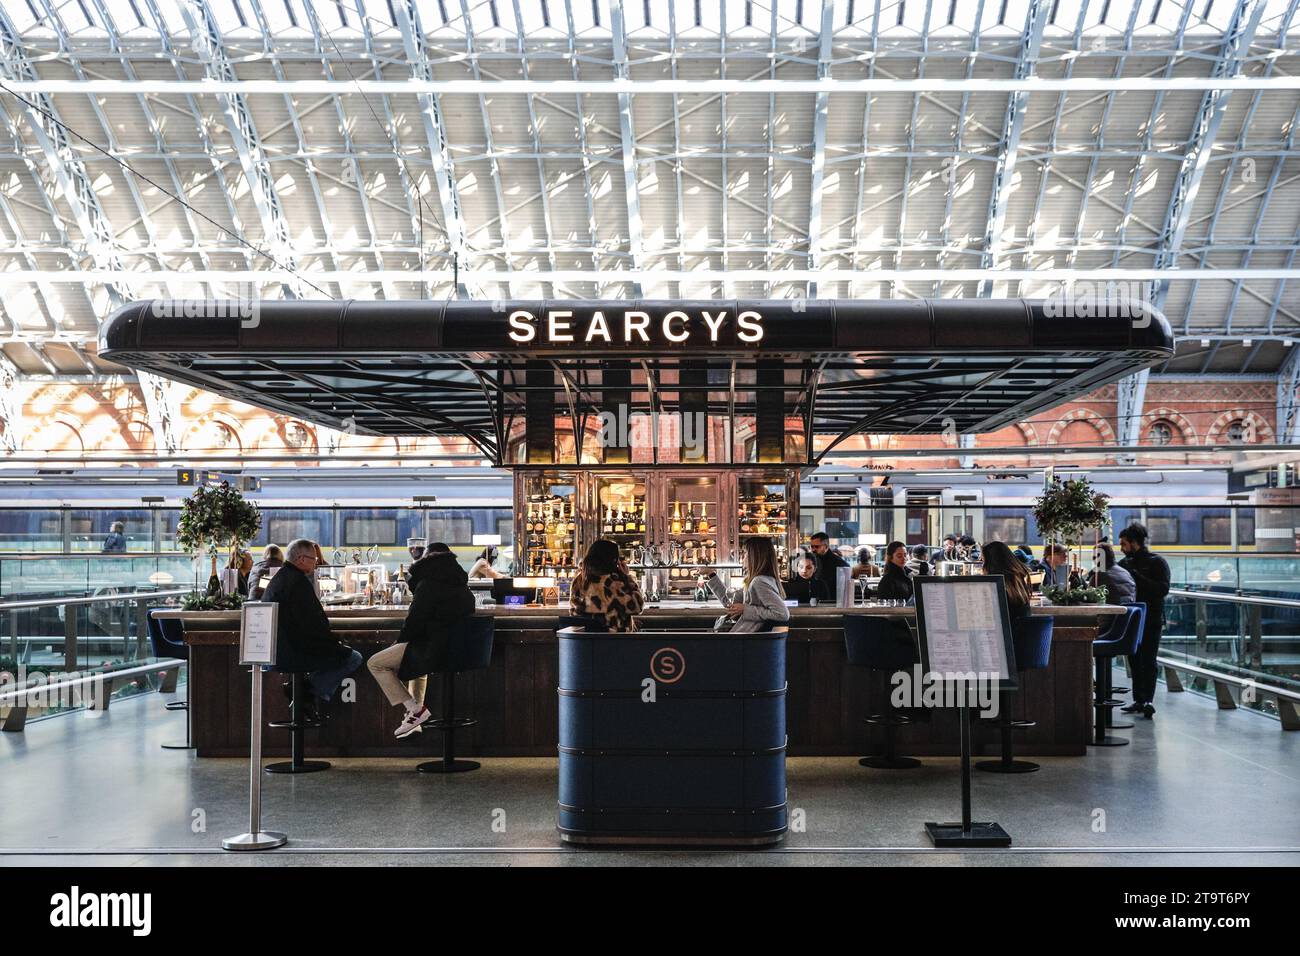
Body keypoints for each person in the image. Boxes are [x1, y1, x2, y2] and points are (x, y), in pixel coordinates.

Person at [366, 542, 476, 737]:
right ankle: (414, 714)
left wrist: (399, 642)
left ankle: (415, 710)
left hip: (434, 649)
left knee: (376, 663)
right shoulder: (462, 586)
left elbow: (414, 621)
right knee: (414, 662)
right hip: (459, 650)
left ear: (426, 559)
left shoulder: (427, 585)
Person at [262, 538, 363, 724]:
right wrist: (334, 642)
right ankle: (306, 693)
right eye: (313, 559)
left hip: (279, 650)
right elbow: (313, 625)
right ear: (301, 559)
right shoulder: (298, 583)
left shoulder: (281, 578)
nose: (316, 563)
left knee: (340, 653)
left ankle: (300, 690)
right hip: (295, 651)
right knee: (353, 657)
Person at [1118, 523, 1170, 719]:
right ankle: (1139, 699)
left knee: (1148, 660)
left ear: (1134, 543)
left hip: (1151, 619)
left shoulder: (1157, 562)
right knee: (1134, 660)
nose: (1122, 548)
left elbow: (1162, 589)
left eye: (1124, 543)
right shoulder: (1125, 564)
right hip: (1133, 619)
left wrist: (1137, 577)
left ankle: (1147, 700)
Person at [702, 536, 790, 633]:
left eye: (745, 553)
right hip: (748, 638)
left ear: (754, 557)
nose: (742, 558)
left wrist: (746, 609)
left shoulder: (759, 582)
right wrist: (711, 574)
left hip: (747, 641)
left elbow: (782, 614)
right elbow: (730, 604)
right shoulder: (758, 580)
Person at [569, 539, 645, 632]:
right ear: (613, 560)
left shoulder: (579, 580)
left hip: (586, 641)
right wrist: (627, 577)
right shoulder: (613, 581)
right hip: (612, 642)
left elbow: (580, 612)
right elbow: (637, 606)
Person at [980, 541, 1032, 619]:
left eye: (983, 560)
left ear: (990, 564)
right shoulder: (1018, 581)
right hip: (1023, 629)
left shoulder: (994, 588)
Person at [808, 531, 850, 604]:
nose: (813, 549)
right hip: (813, 601)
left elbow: (845, 588)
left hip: (832, 603)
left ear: (826, 546)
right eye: (812, 546)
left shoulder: (839, 563)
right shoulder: (811, 561)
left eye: (817, 546)